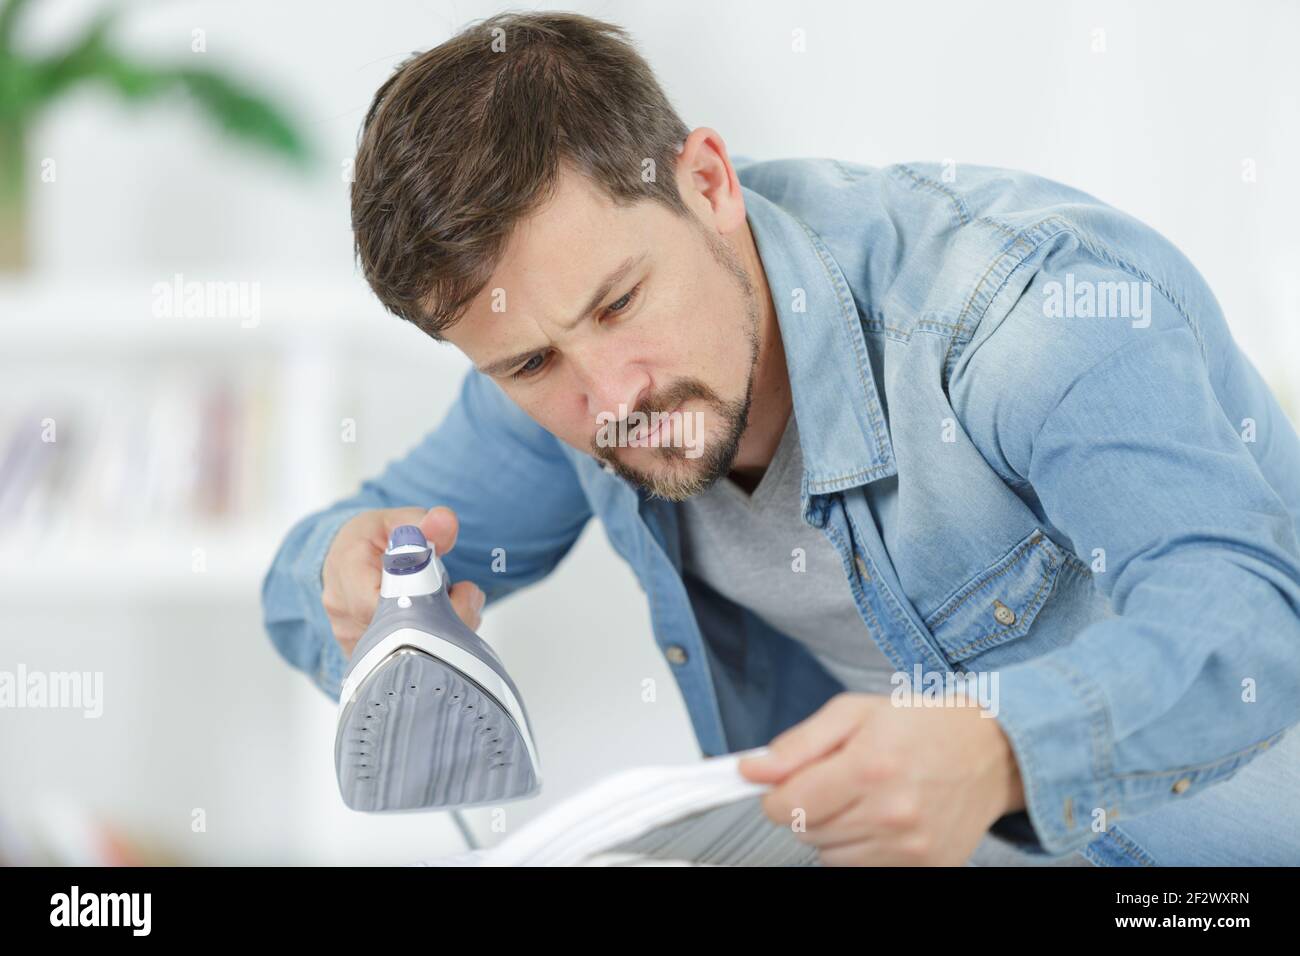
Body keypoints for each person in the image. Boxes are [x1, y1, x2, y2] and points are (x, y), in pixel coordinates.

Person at [261, 11, 1300, 865]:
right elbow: (330, 559)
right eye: (529, 363)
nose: (611, 395)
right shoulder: (567, 382)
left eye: (620, 302)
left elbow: (1252, 618)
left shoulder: (1016, 311)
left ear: (708, 182)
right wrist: (341, 578)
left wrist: (1001, 747)